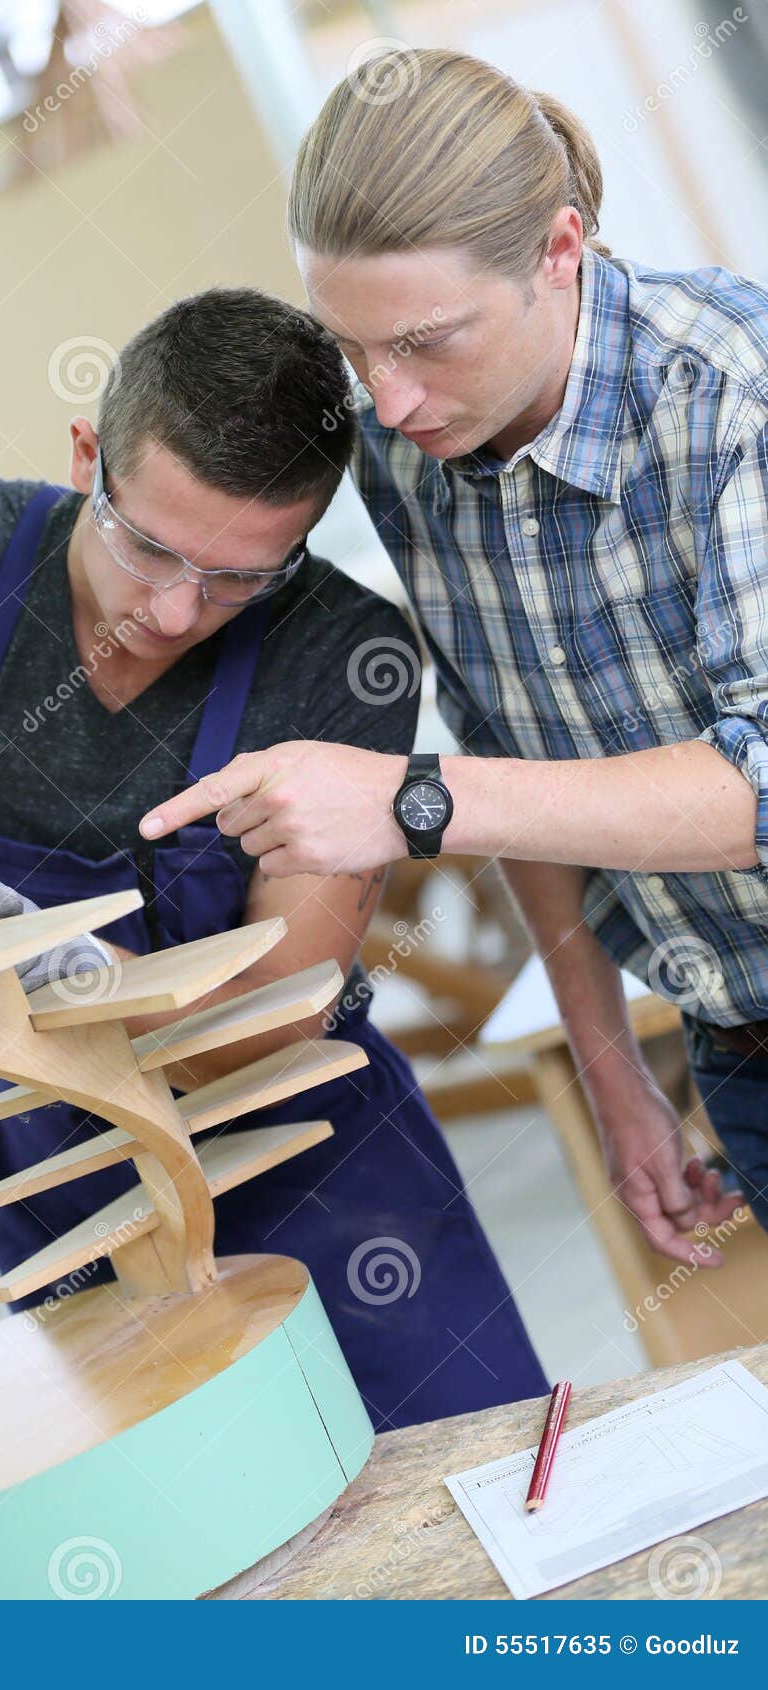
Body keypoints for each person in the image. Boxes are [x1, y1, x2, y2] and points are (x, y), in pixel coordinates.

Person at [0, 287, 547, 1431]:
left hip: (316, 1181)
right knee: (179, 1553)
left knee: (455, 1494)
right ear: (86, 454)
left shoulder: (342, 652)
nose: (175, 608)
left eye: (241, 575)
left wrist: (89, 985)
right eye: (148, 546)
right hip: (67, 1172)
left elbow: (278, 1014)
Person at [141, 48, 764, 1268]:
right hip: (729, 1027)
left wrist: (409, 800)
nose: (386, 402)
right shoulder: (407, 444)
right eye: (354, 348)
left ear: (557, 251)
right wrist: (606, 1060)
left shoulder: (729, 399)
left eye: (427, 342)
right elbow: (507, 743)